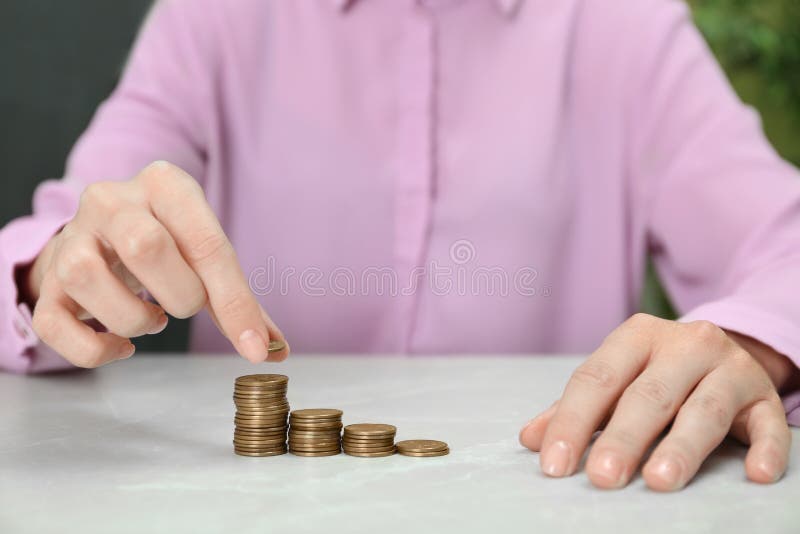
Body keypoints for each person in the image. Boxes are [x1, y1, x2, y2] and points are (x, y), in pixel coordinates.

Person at [1, 0, 798, 492]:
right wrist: (57, 271)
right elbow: (74, 228)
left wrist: (744, 346)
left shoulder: (628, 25)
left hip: (543, 497)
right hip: (253, 505)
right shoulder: (215, 14)